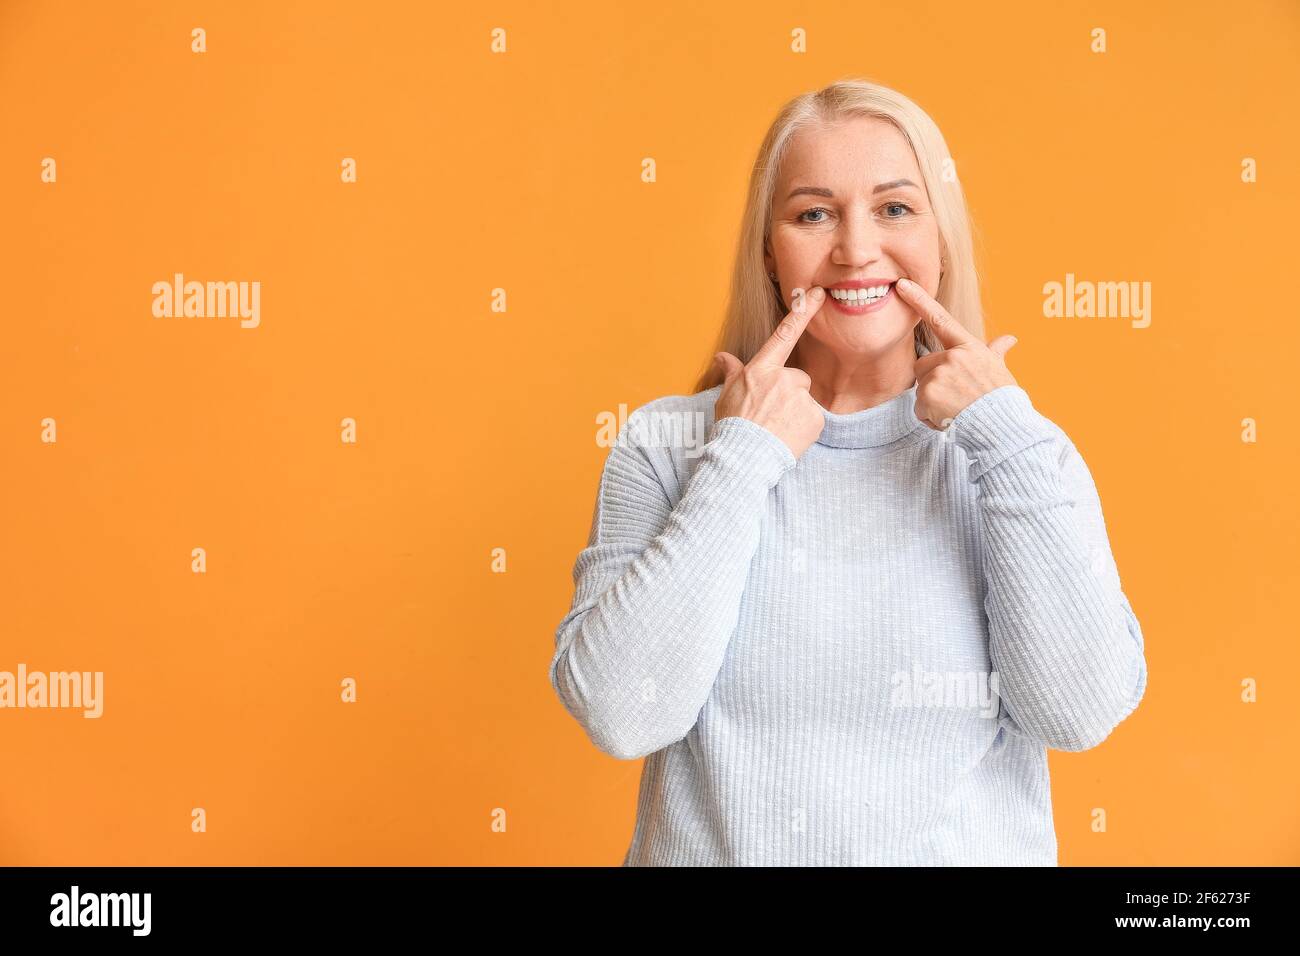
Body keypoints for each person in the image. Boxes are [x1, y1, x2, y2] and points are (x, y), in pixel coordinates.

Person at [549, 77, 1147, 866]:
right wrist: (740, 457)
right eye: (814, 214)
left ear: (940, 240)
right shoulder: (669, 444)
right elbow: (623, 715)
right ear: (769, 247)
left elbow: (1079, 713)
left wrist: (1005, 438)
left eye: (895, 209)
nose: (855, 249)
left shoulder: (1019, 452)